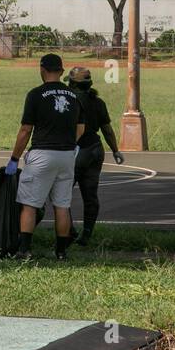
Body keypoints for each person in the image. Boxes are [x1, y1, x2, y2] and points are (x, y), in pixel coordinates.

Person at [6, 53, 83, 260]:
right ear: (61, 71)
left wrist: (14, 158)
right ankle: (61, 252)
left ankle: (24, 250)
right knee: (62, 205)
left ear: (42, 69)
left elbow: (25, 129)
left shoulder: (35, 94)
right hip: (67, 156)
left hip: (42, 154)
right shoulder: (74, 95)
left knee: (30, 204)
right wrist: (69, 143)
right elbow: (81, 127)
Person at [66, 66, 122, 245]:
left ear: (72, 84)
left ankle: (69, 231)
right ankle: (86, 235)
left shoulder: (69, 101)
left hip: (76, 151)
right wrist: (115, 150)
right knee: (90, 196)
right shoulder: (98, 102)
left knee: (61, 194)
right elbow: (107, 129)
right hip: (95, 150)